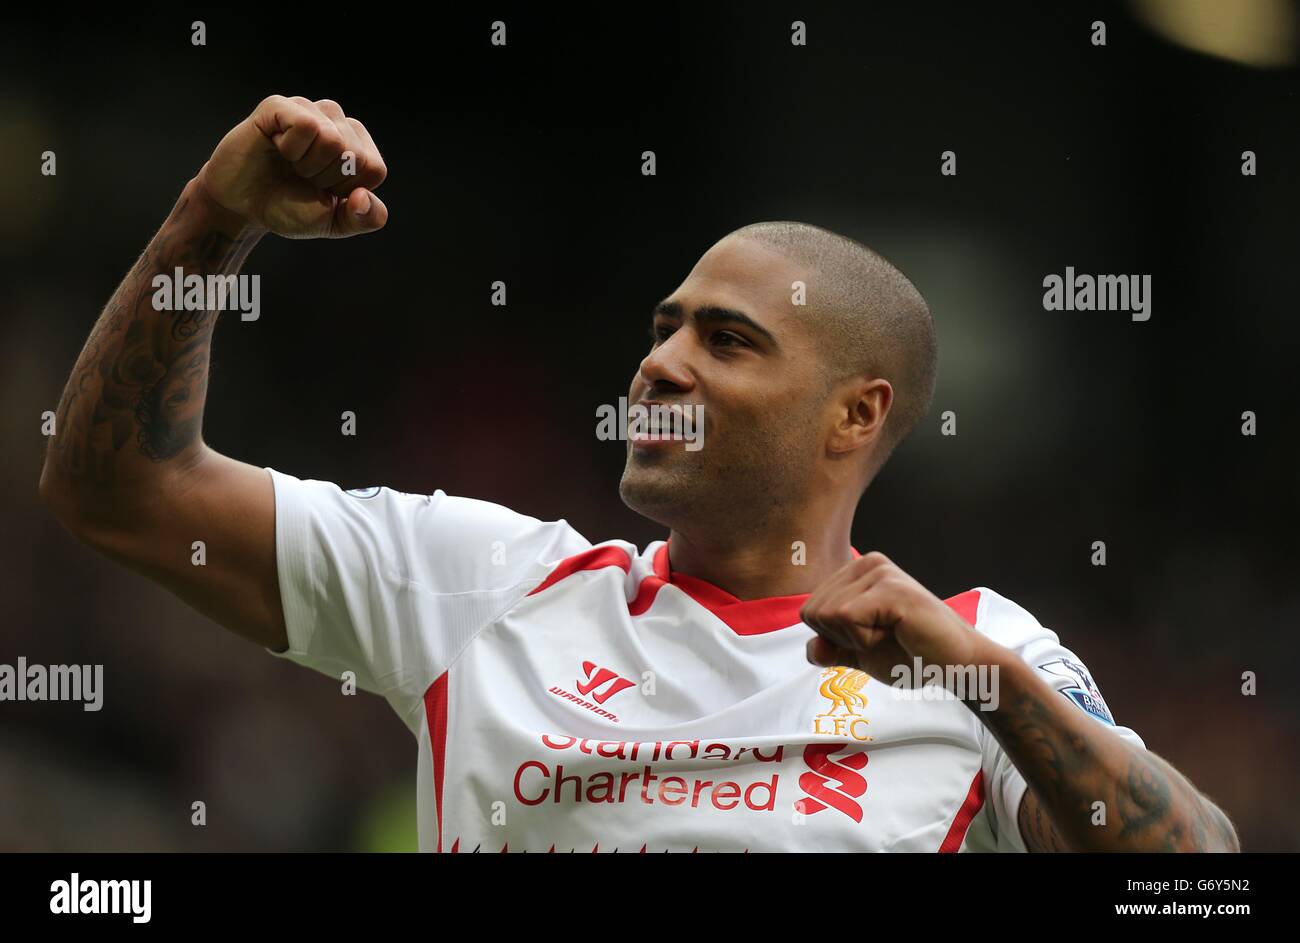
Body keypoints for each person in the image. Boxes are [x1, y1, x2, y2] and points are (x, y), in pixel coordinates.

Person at [39, 95, 1238, 852]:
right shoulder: (486, 587)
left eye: (724, 340)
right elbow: (119, 491)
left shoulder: (976, 654)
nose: (659, 362)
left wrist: (985, 682)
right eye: (664, 328)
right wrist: (211, 222)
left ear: (853, 414)